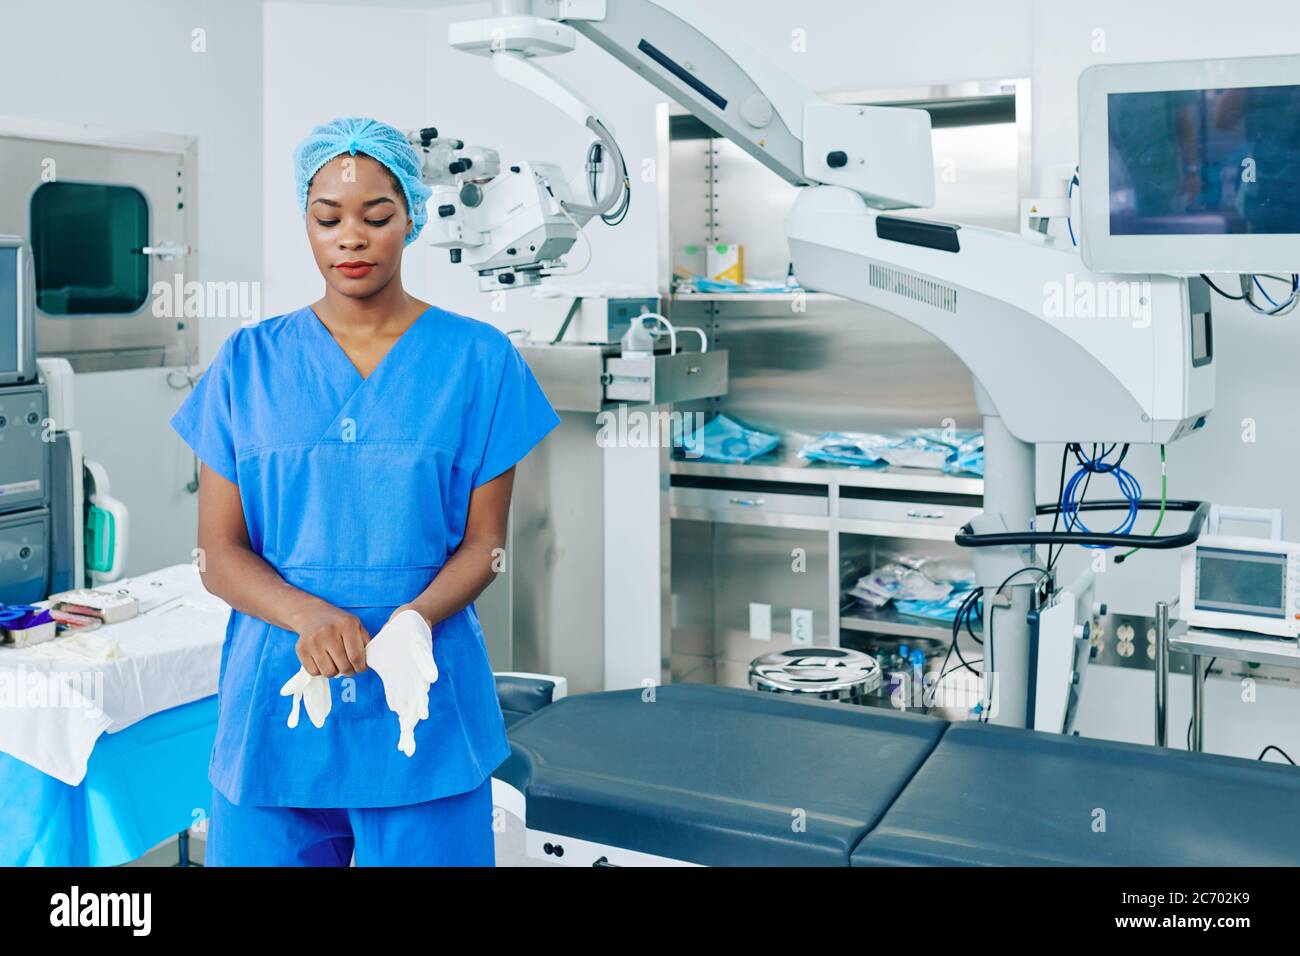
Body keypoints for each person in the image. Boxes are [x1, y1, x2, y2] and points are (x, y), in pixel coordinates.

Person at [171, 117, 559, 866]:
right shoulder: (248, 363)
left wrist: (414, 620)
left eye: (377, 216)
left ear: (411, 217)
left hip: (426, 703)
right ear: (307, 225)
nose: (352, 237)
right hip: (280, 708)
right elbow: (219, 553)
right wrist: (305, 615)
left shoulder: (478, 360)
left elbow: (487, 545)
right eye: (328, 218)